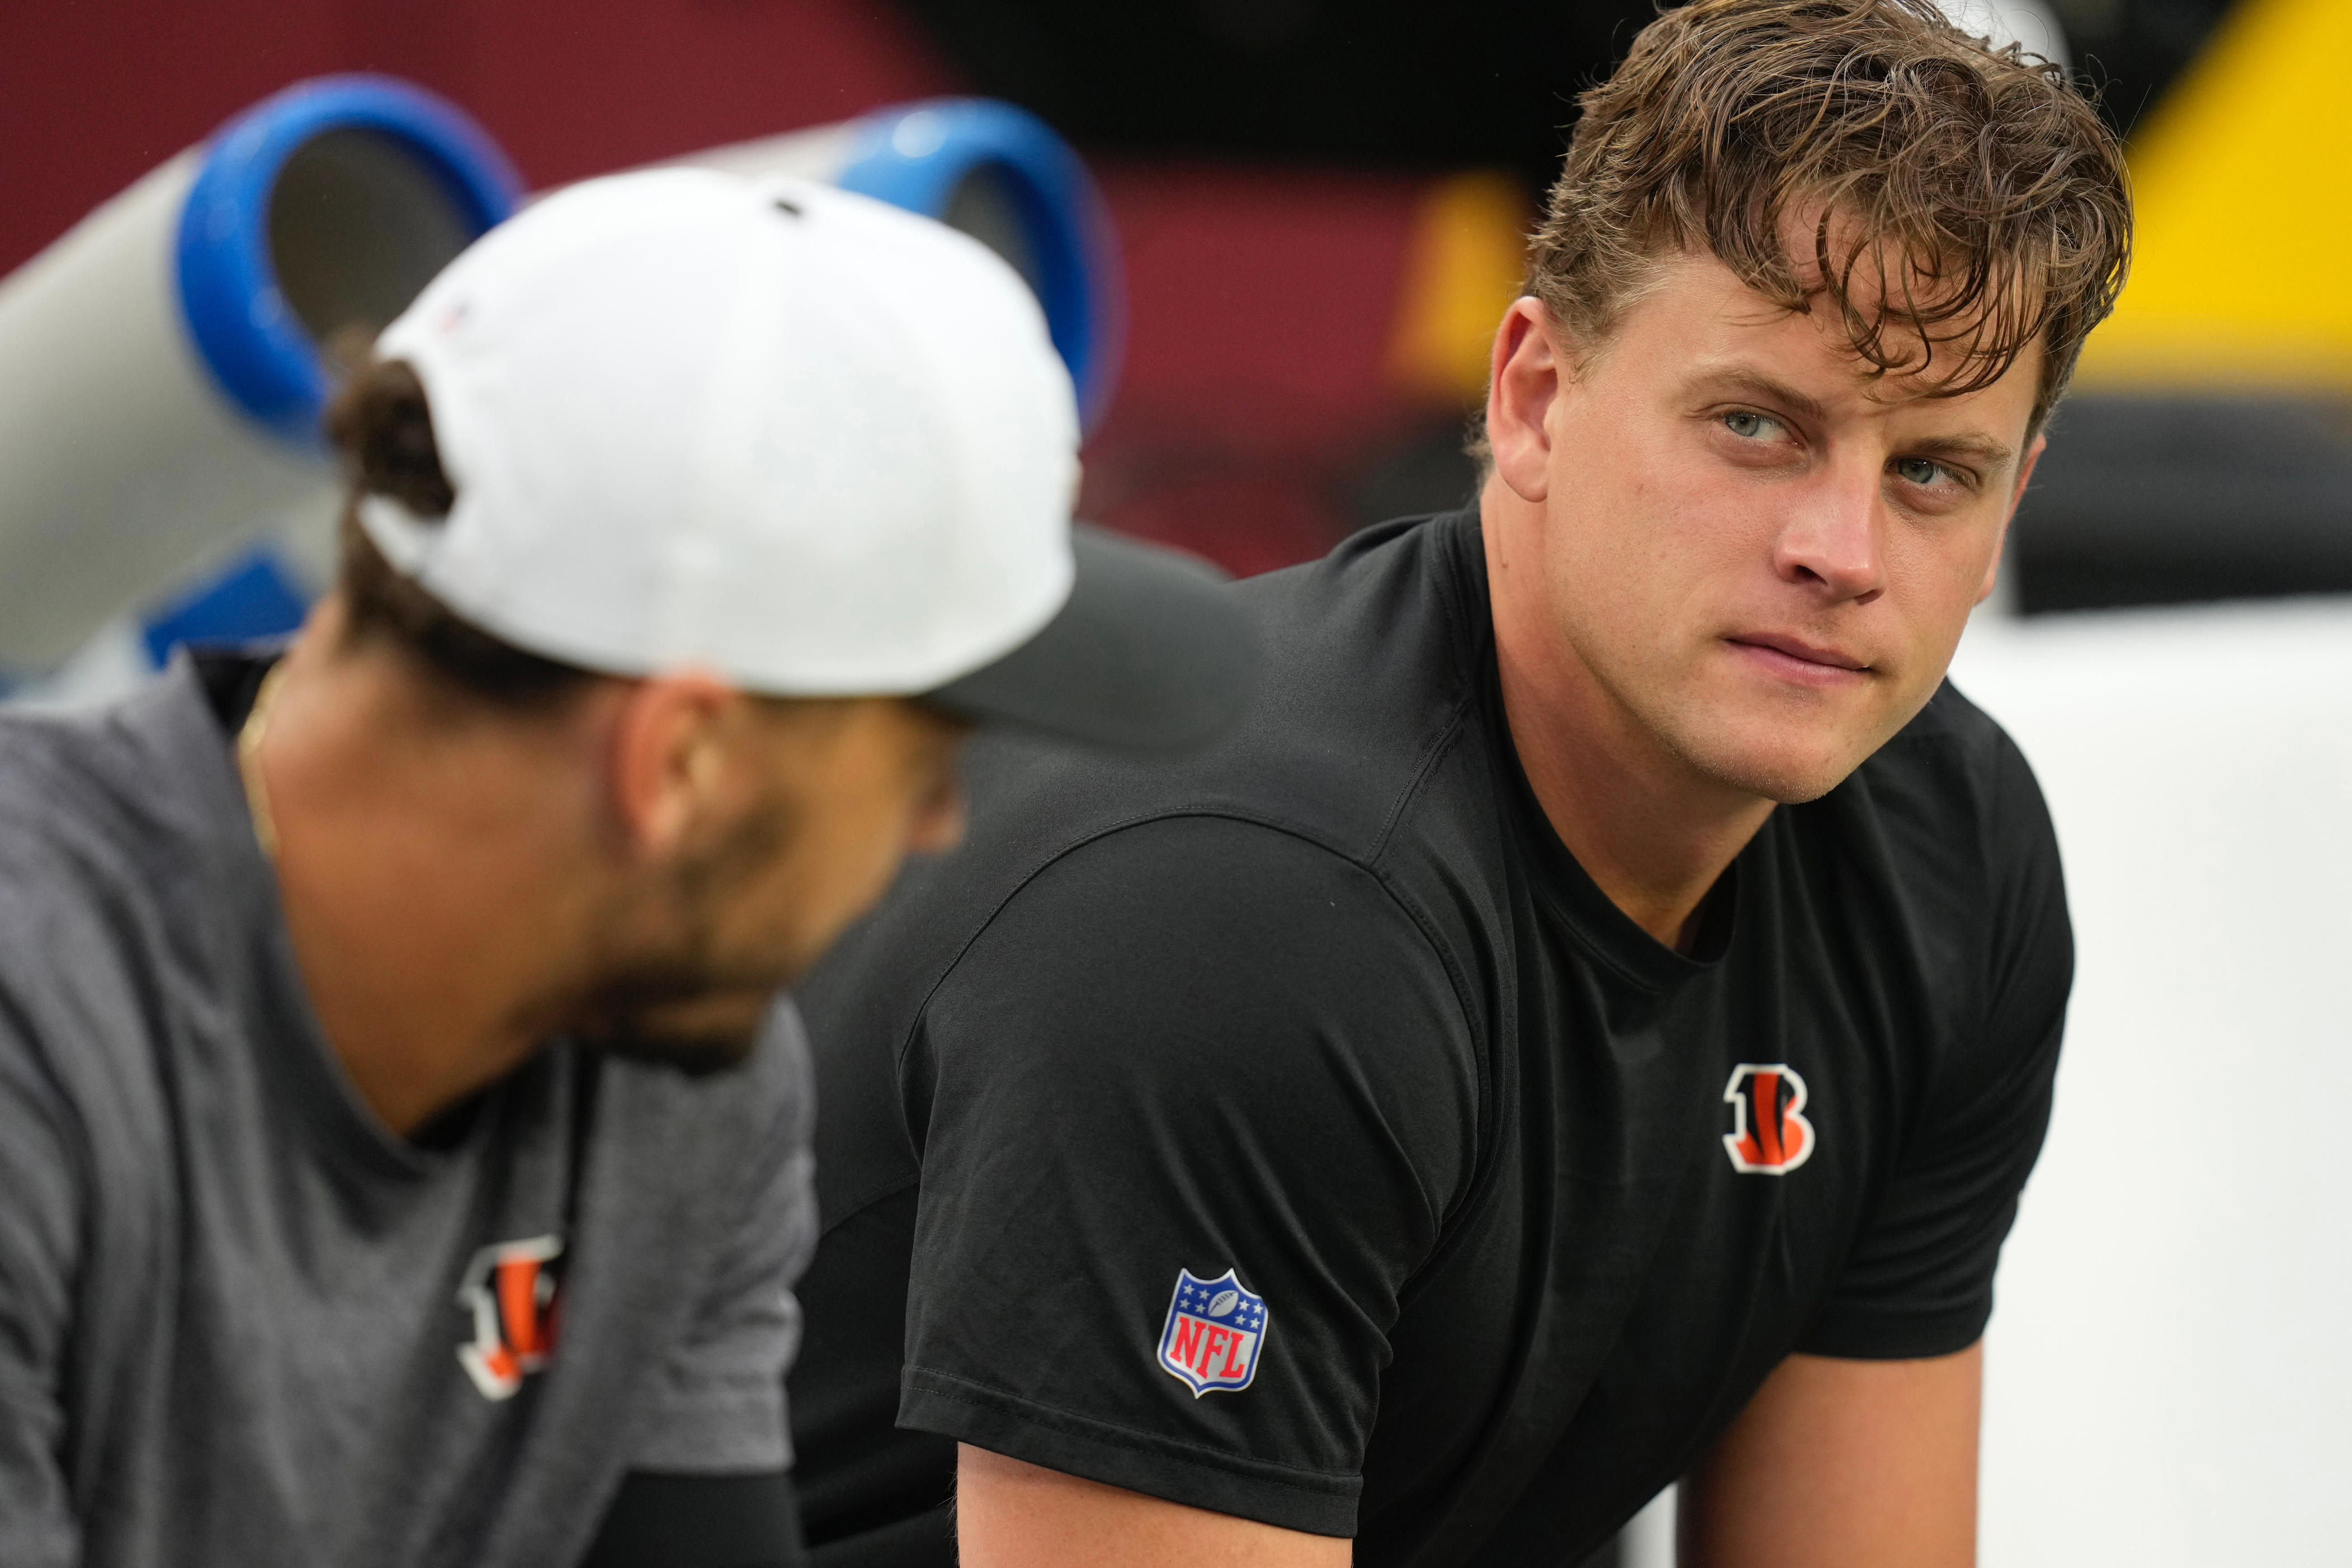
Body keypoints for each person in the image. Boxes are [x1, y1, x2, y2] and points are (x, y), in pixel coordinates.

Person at [781, 2, 2132, 1564]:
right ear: (1533, 398)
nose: (1839, 551)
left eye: (1930, 473)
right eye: (1754, 426)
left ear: (2011, 494)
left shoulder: (1937, 849)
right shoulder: (1249, 911)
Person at [0, 167, 1250, 1568]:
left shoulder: (683, 1086)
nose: (938, 827)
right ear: (681, 765)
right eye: (924, 757)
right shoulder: (36, 1016)